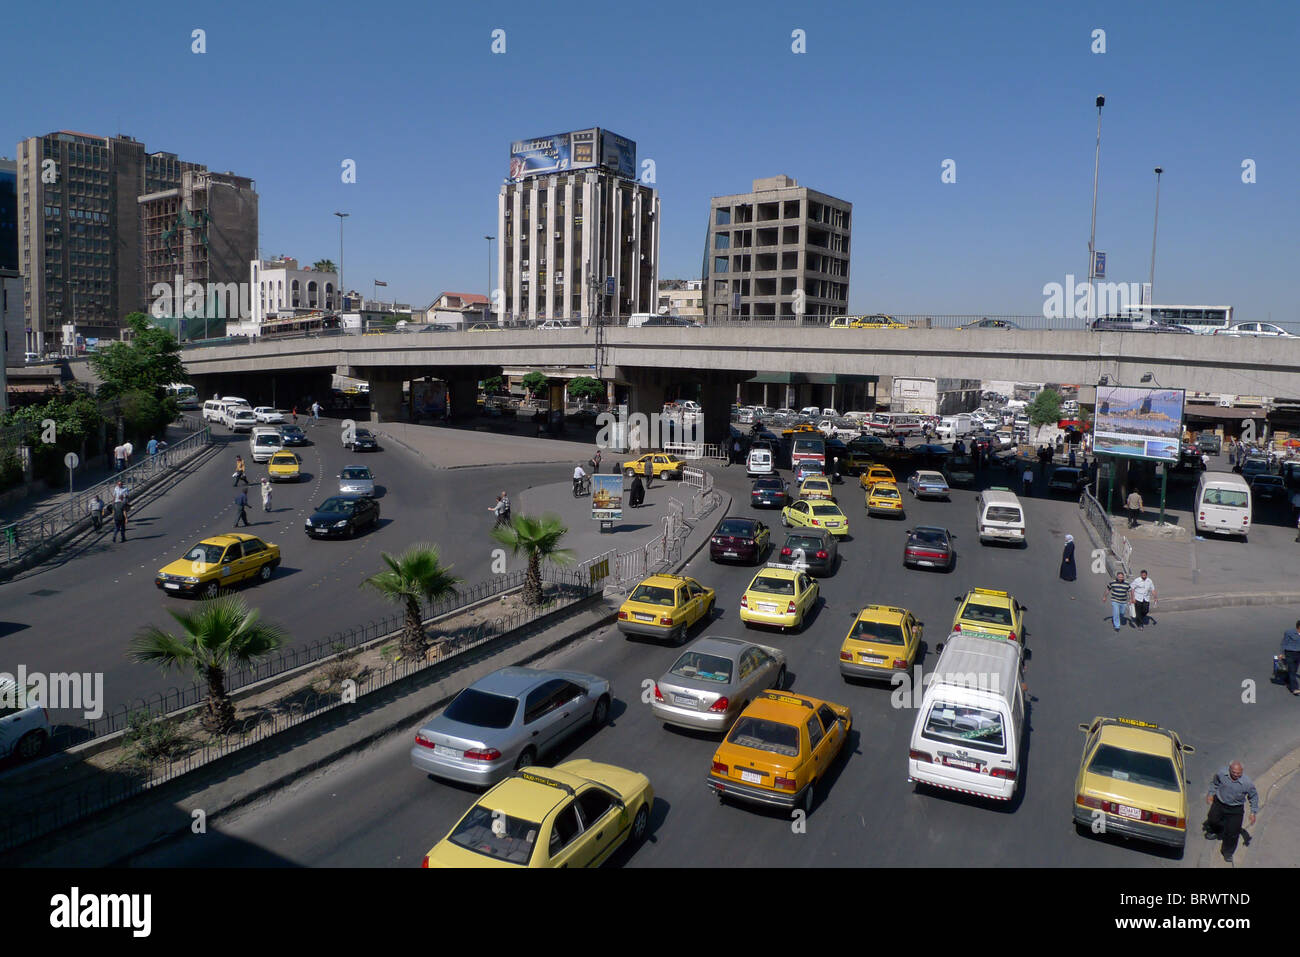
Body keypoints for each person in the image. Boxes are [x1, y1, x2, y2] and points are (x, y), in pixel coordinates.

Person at [1204, 762, 1259, 863]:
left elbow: (1254, 797)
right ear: (1229, 770)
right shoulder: (1221, 773)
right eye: (1234, 772)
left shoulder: (1247, 783)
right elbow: (1215, 783)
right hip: (1220, 803)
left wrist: (1253, 812)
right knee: (1212, 819)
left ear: (1242, 771)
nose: (1236, 775)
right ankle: (1215, 831)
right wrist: (1211, 794)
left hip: (1235, 809)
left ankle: (1228, 852)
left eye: (1239, 773)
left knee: (1233, 832)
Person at [1281, 620, 1300, 696]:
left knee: (1294, 670)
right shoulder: (1289, 632)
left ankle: (1287, 679)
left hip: (1298, 654)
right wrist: (1282, 654)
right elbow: (1284, 643)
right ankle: (1295, 688)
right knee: (1292, 671)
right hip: (1290, 654)